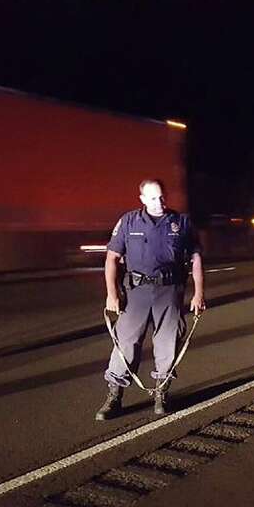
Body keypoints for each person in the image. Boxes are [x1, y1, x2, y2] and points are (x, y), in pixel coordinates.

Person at [95, 179, 206, 420]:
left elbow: (196, 259)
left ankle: (161, 393)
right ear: (143, 199)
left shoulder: (181, 222)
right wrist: (112, 294)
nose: (159, 202)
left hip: (169, 291)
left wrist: (199, 294)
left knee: (168, 343)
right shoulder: (129, 221)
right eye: (153, 198)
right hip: (136, 292)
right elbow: (112, 258)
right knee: (126, 343)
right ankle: (114, 397)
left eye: (162, 197)